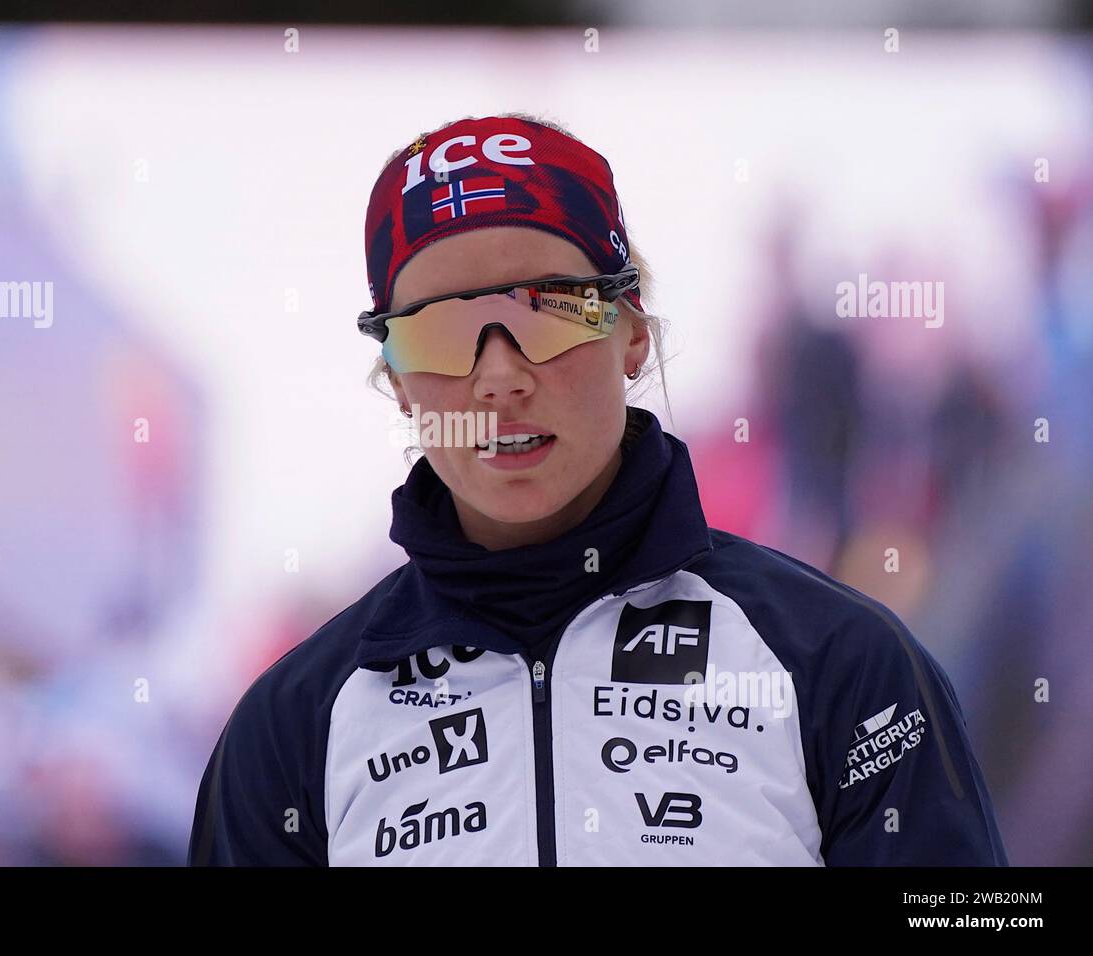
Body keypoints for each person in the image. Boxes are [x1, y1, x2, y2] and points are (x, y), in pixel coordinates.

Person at [187, 113, 1008, 866]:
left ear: (633, 338)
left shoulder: (844, 664)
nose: (500, 376)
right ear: (397, 382)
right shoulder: (292, 726)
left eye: (548, 308)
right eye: (439, 331)